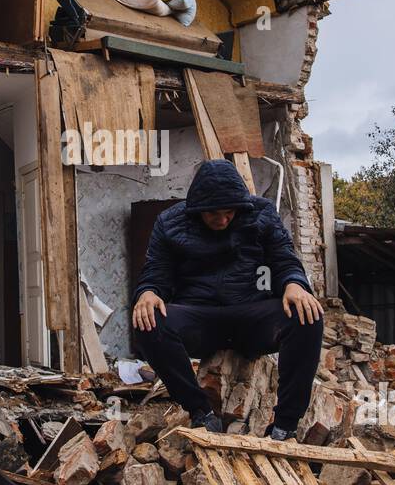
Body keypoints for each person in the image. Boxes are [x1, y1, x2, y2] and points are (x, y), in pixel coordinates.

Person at [131, 159, 325, 440]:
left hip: (251, 315)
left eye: (229, 212)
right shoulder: (170, 222)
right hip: (198, 318)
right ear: (197, 208)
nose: (222, 220)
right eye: (213, 213)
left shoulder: (261, 213)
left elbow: (284, 258)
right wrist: (148, 292)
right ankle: (201, 412)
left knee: (307, 315)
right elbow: (155, 272)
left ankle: (284, 426)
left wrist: (294, 284)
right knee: (147, 321)